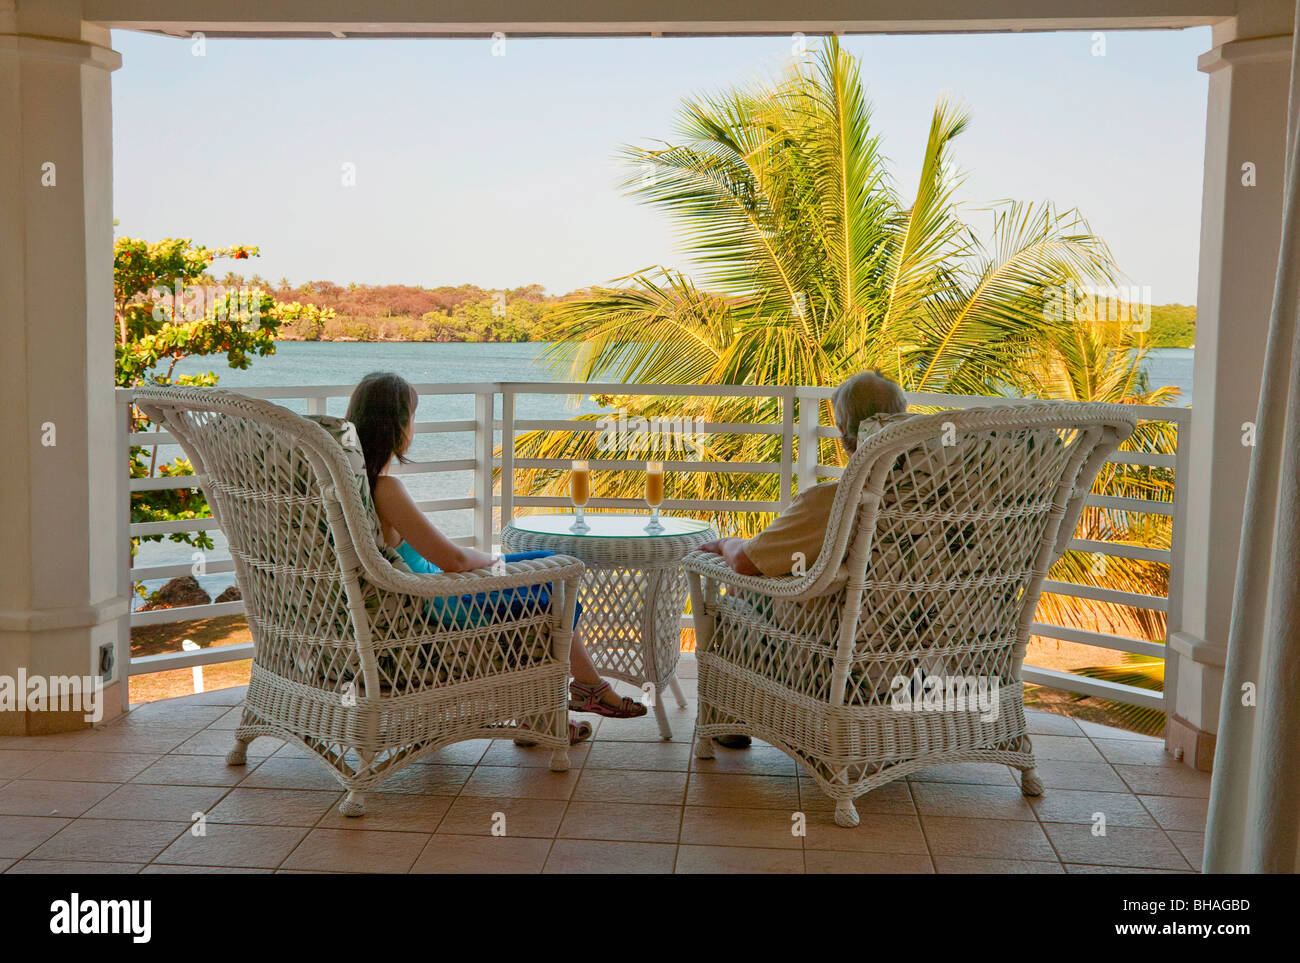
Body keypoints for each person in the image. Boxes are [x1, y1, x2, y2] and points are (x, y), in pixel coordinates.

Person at [345, 371, 646, 745]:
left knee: (548, 559)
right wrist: (486, 561)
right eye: (412, 417)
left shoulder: (353, 485)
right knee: (553, 588)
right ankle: (584, 691)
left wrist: (480, 560)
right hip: (442, 598)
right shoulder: (385, 488)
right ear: (397, 425)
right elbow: (452, 559)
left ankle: (557, 703)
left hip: (431, 585)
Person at [696, 369, 908, 747]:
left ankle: (727, 723)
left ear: (845, 434)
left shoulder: (833, 501)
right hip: (929, 645)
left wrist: (727, 543)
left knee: (735, 601)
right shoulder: (953, 503)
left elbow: (747, 563)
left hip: (837, 654)